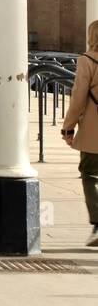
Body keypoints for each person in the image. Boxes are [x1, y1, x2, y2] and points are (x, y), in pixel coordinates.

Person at [60, 19, 98, 247]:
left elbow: (78, 97)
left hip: (94, 129)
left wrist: (68, 127)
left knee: (90, 174)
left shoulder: (88, 60)